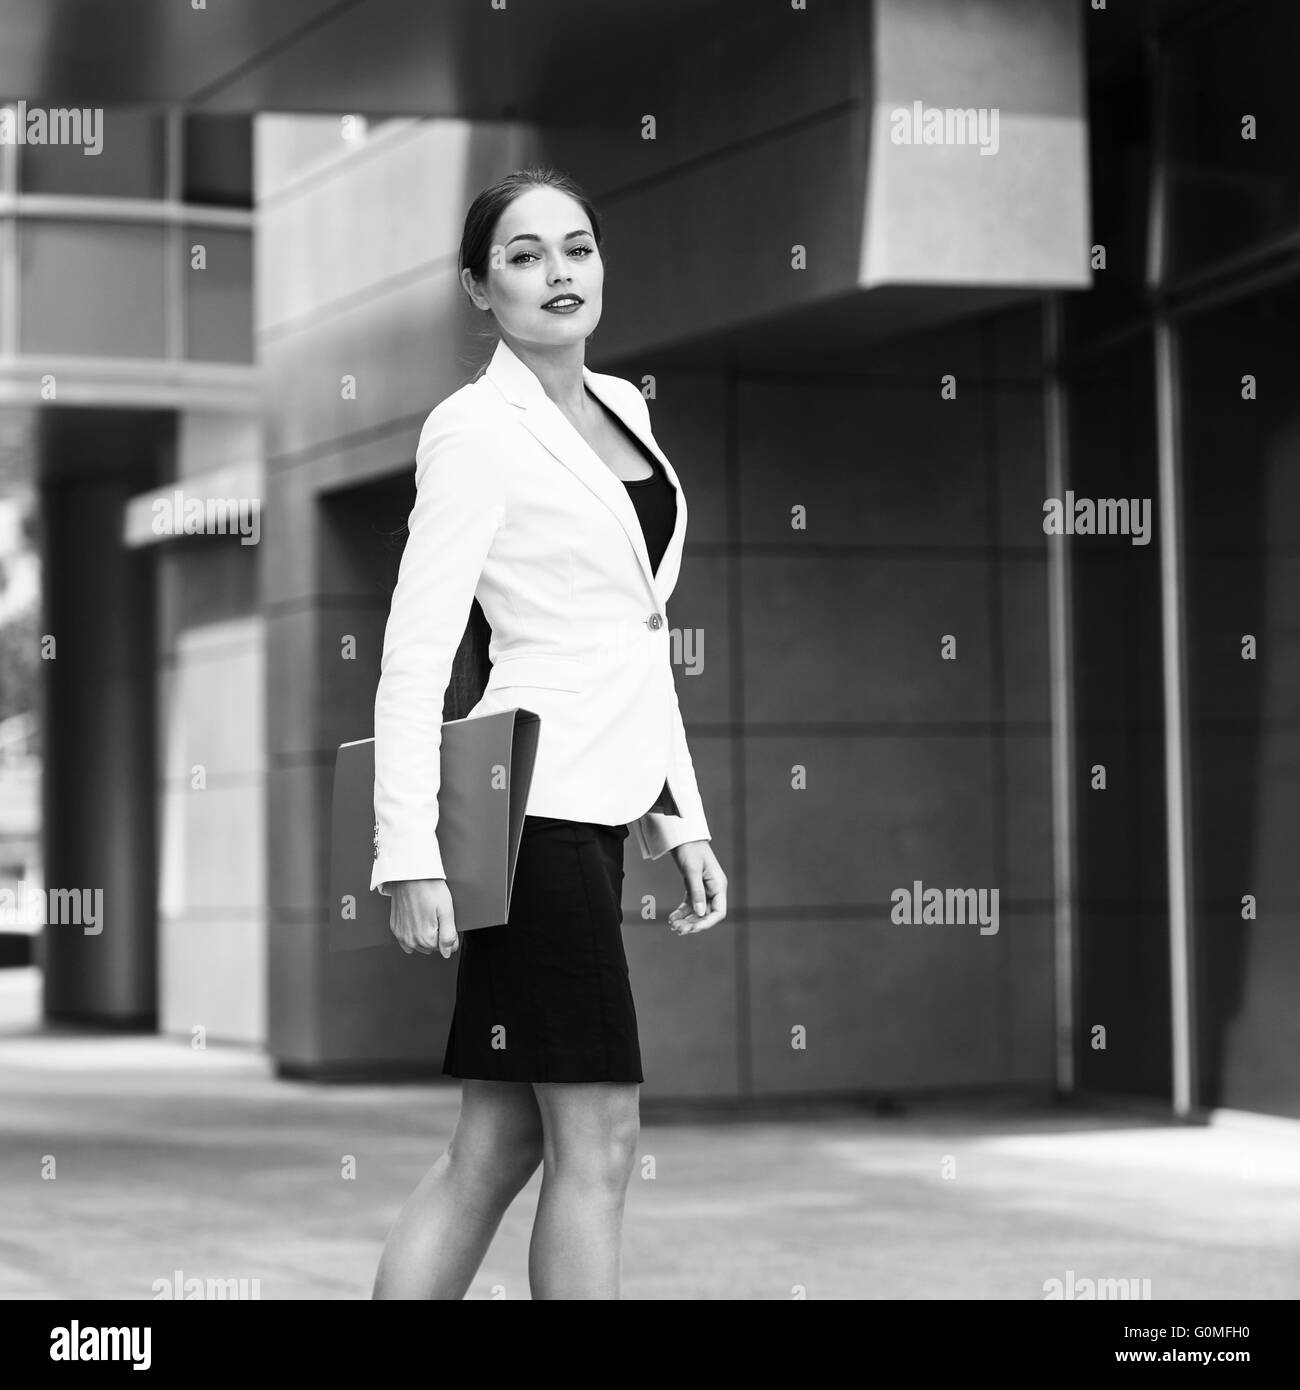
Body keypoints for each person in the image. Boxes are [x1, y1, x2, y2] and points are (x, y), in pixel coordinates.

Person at [369, 167, 728, 1299]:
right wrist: (408, 852)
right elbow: (417, 650)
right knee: (601, 1137)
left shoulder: (626, 409)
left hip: (601, 799)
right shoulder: (473, 429)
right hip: (530, 812)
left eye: (575, 247)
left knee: (499, 1143)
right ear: (480, 287)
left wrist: (682, 821)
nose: (558, 273)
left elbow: (634, 631)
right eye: (524, 256)